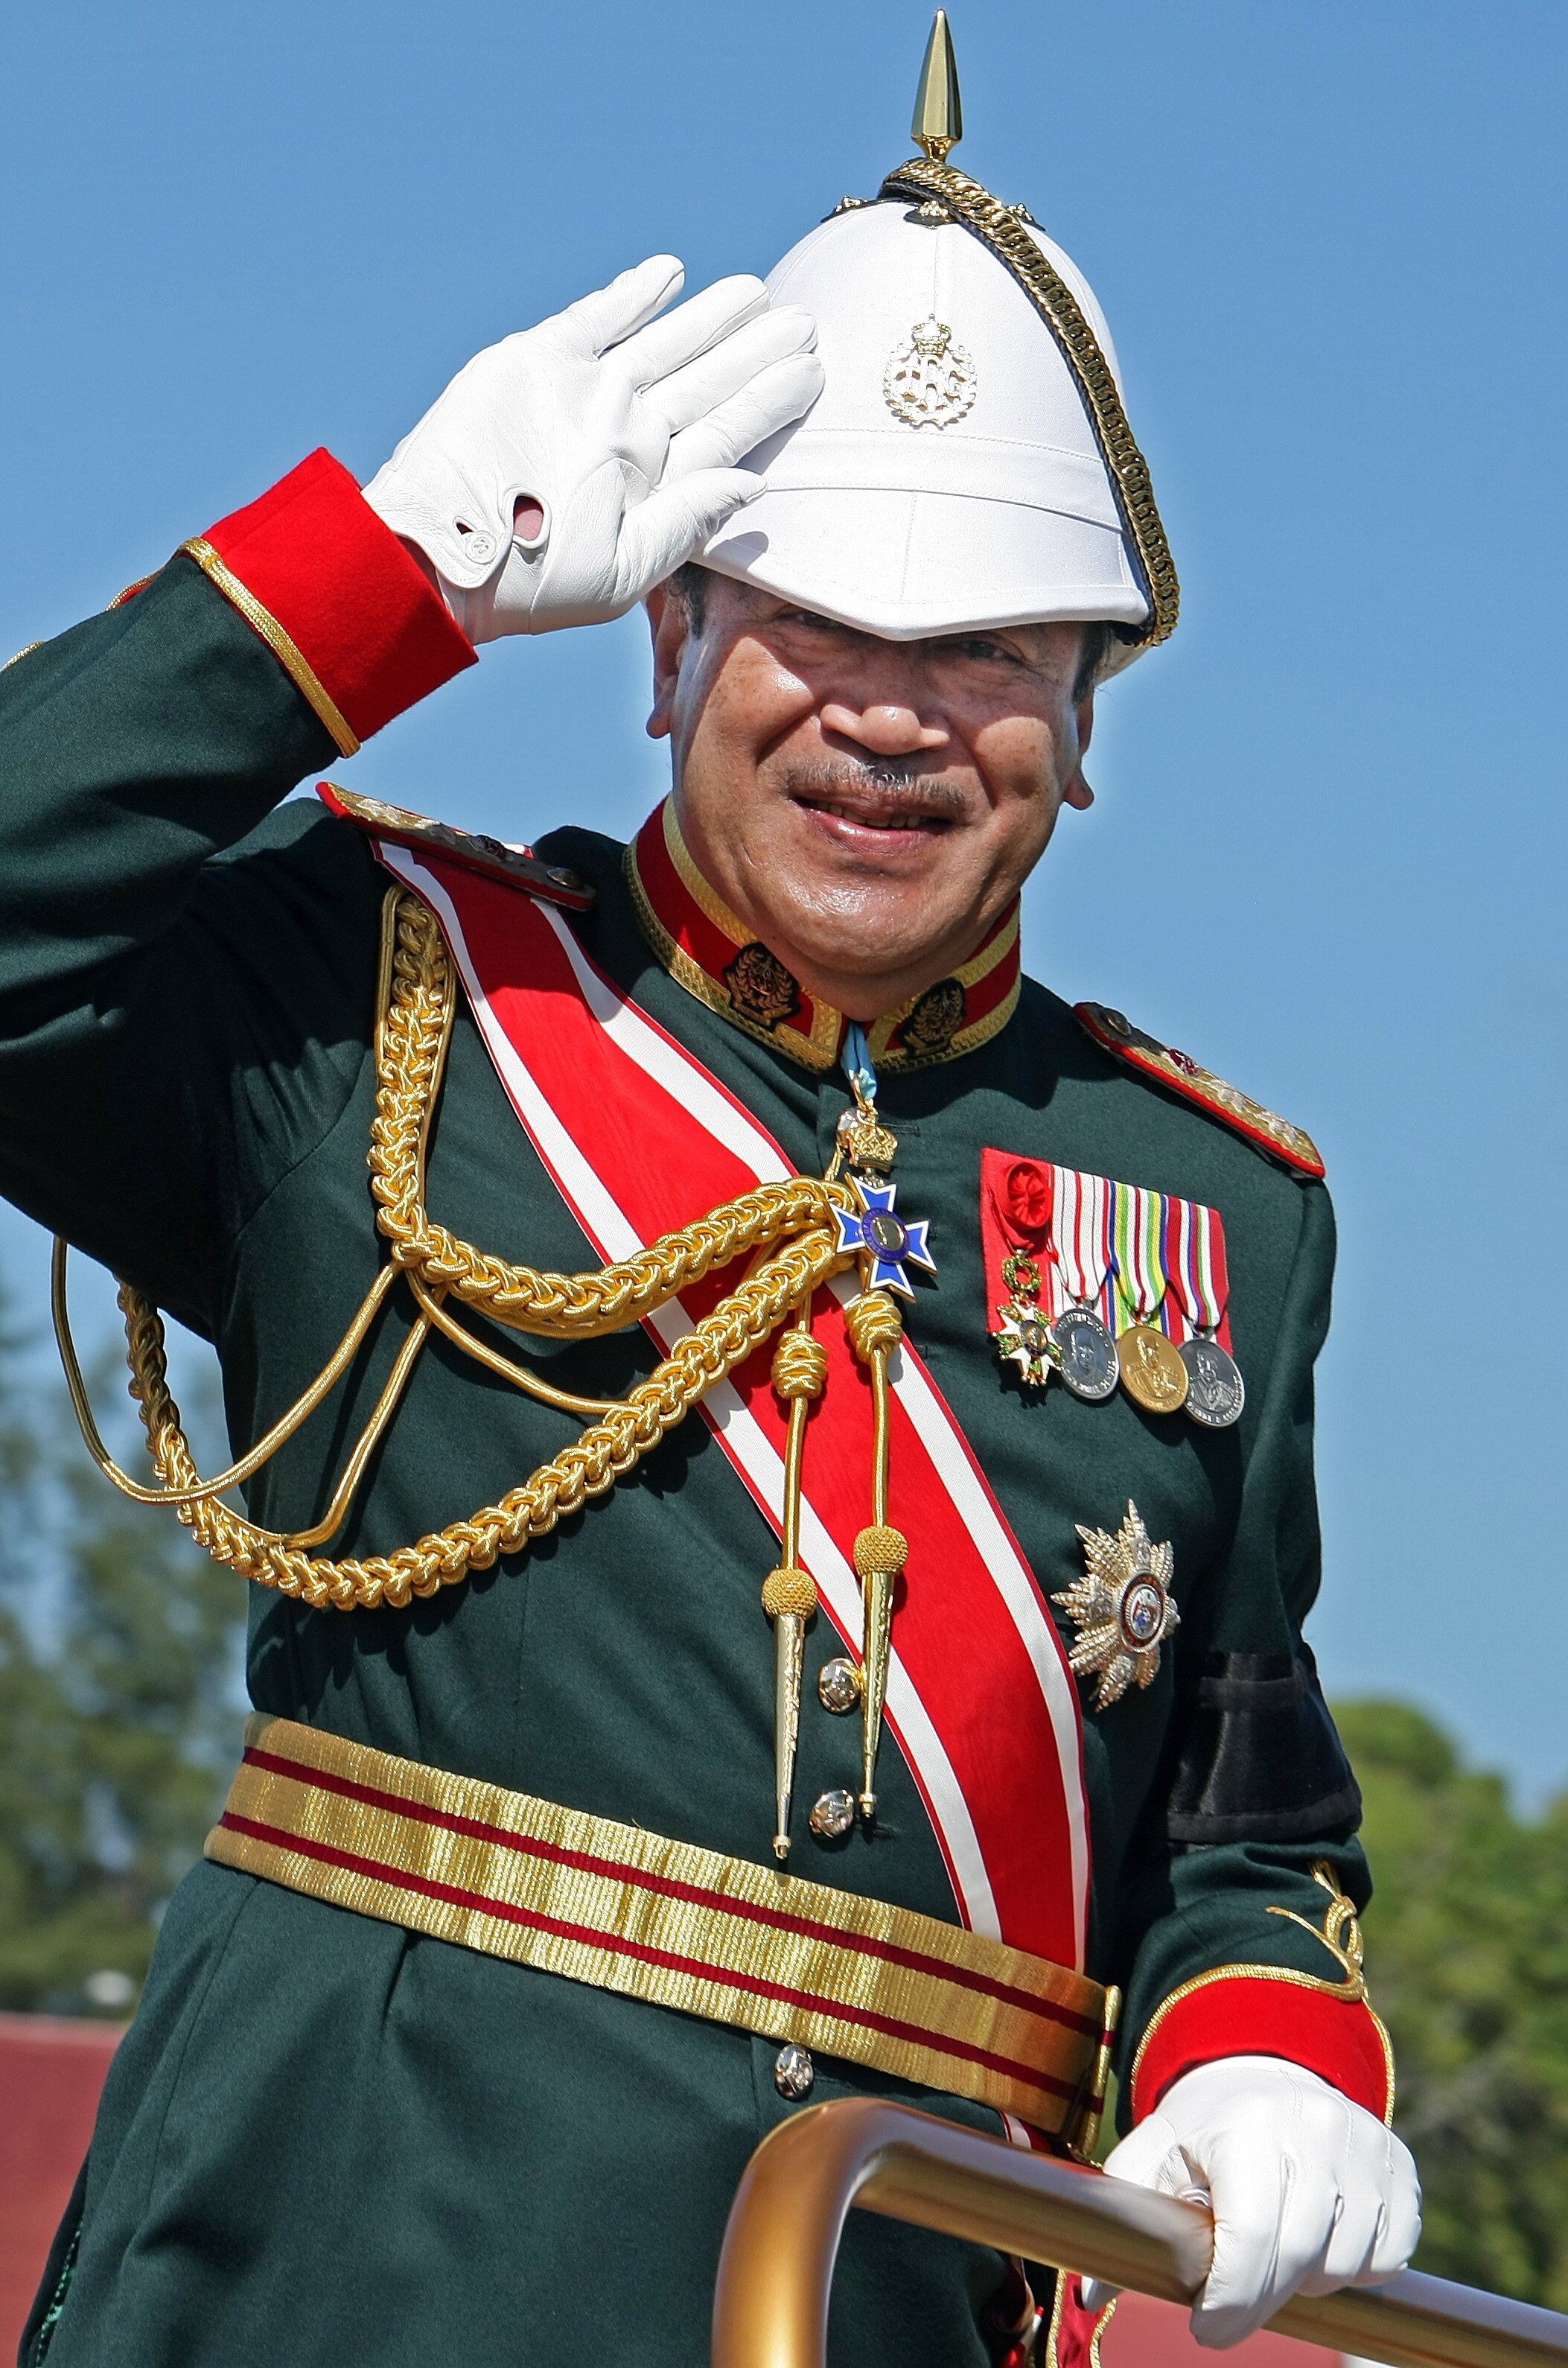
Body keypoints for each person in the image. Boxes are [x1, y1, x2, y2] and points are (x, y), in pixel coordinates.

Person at [3, 26, 1418, 2368]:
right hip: (345, 2278)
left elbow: (1237, 1825)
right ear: (660, 639)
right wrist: (378, 579)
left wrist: (1262, 2037)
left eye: (978, 652)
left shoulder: (1224, 1216)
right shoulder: (377, 998)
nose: (887, 715)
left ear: (1082, 721)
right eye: (809, 625)